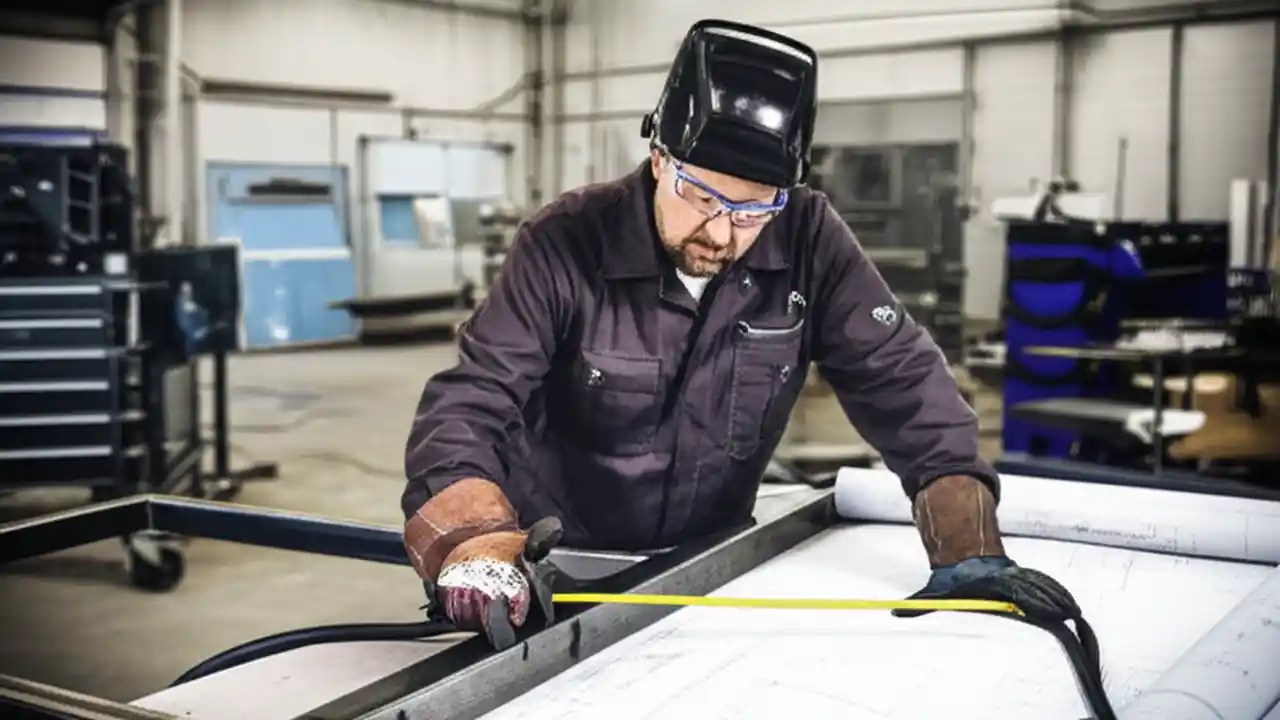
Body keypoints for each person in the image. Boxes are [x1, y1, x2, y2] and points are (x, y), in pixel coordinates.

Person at [400, 19, 1083, 648]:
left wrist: (967, 544)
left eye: (755, 209)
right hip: (563, 571)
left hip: (711, 571)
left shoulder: (809, 235)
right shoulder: (565, 241)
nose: (724, 232)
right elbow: (470, 401)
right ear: (660, 156)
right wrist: (474, 542)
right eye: (702, 196)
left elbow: (903, 381)